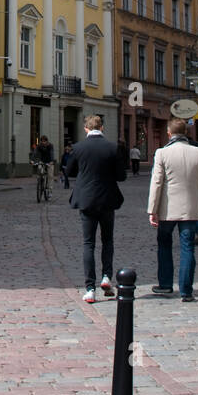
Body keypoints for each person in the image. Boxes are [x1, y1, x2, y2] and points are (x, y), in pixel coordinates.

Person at [147, 116, 198, 302]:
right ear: (186, 132)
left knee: (164, 246)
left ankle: (166, 284)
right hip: (191, 209)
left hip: (167, 209)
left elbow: (156, 183)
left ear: (169, 133)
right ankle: (186, 290)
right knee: (188, 248)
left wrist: (152, 209)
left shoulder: (162, 153)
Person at [67, 114, 127, 303]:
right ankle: (106, 277)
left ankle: (90, 288)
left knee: (88, 244)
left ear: (86, 128)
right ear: (102, 128)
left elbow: (69, 172)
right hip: (107, 200)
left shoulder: (78, 148)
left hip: (86, 200)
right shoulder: (112, 147)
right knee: (107, 240)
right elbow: (121, 176)